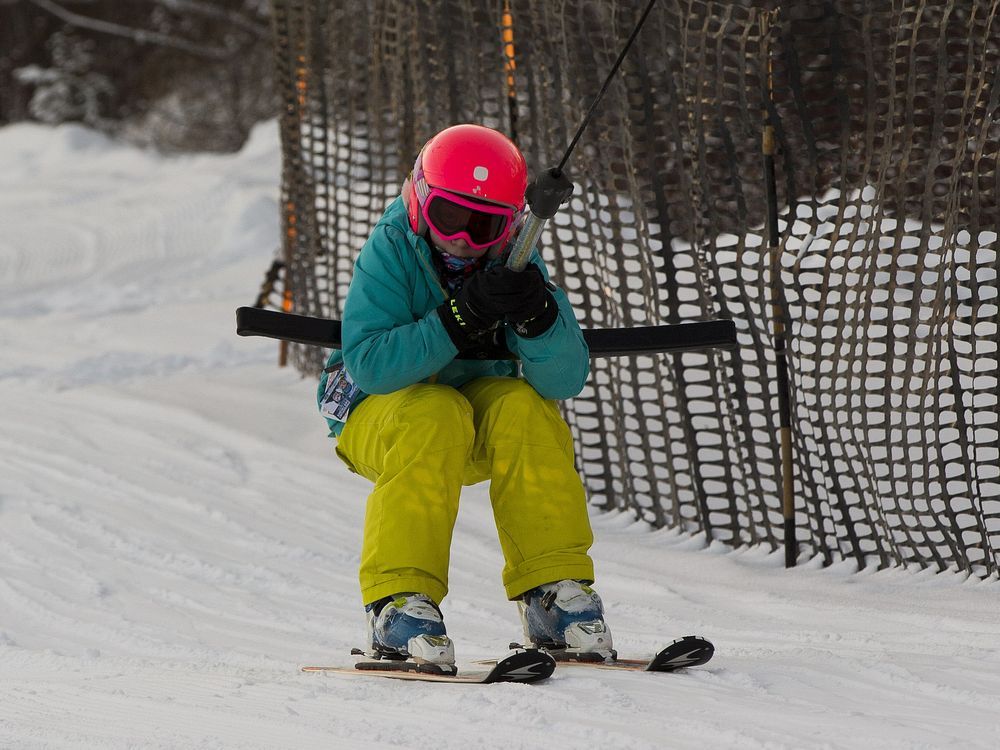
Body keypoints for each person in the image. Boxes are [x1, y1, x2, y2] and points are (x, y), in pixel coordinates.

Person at [317, 123, 611, 668]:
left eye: (485, 225)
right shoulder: (391, 249)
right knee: (434, 412)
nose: (464, 239)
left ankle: (552, 594)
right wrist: (457, 321)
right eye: (449, 217)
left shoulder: (514, 258)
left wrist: (537, 316)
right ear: (420, 199)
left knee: (524, 407)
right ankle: (398, 604)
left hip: (468, 419)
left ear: (511, 223)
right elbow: (371, 364)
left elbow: (563, 381)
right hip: (380, 417)